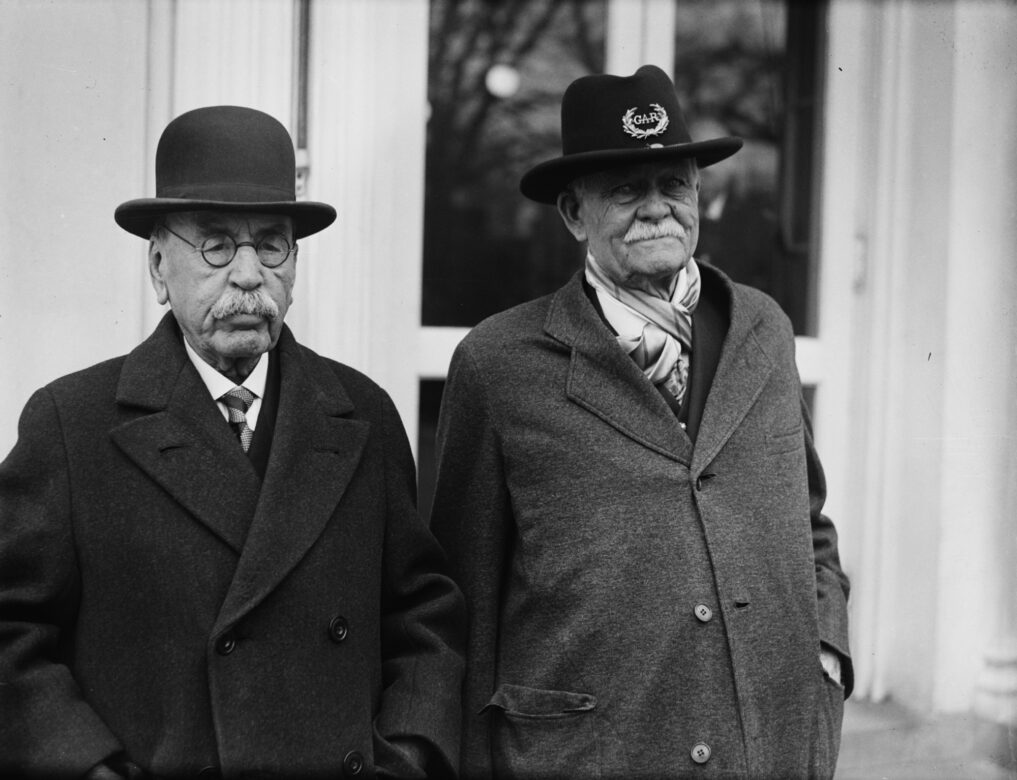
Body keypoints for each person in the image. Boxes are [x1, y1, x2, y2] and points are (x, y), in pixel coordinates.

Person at [0, 106, 464, 779]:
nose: (248, 274)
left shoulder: (361, 414)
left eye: (270, 243)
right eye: (216, 244)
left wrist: (406, 760)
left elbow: (425, 617)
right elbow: (10, 633)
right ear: (160, 267)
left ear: (295, 264)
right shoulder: (74, 424)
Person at [429, 65, 852, 779]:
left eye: (673, 185)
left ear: (698, 196)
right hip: (583, 757)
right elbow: (463, 598)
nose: (656, 208)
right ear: (572, 212)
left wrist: (826, 658)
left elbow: (806, 520)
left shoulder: (761, 331)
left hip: (767, 744)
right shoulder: (498, 363)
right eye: (626, 189)